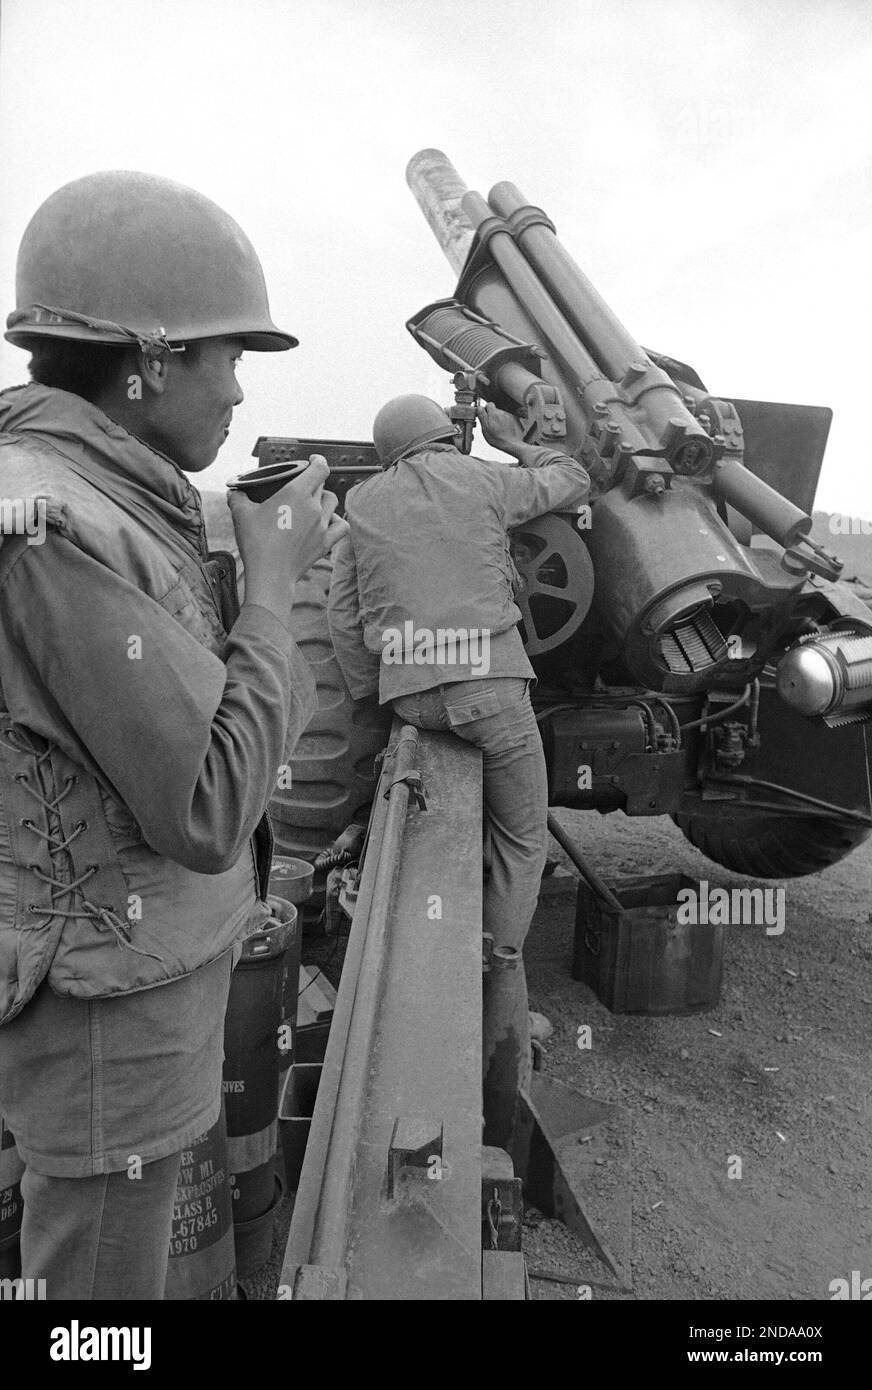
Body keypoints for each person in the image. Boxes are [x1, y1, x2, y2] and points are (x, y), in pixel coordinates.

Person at [0, 171, 347, 1298]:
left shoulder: (105, 497)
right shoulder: (61, 525)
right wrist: (278, 585)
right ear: (146, 362)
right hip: (112, 1019)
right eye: (227, 357)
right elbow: (206, 804)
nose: (239, 392)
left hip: (136, 987)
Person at [327, 393, 589, 1144]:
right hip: (491, 694)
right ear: (446, 439)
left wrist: (378, 700)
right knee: (520, 839)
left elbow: (346, 620)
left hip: (413, 700)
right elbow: (571, 478)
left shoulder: (362, 505)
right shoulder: (480, 479)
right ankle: (495, 975)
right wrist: (516, 440)